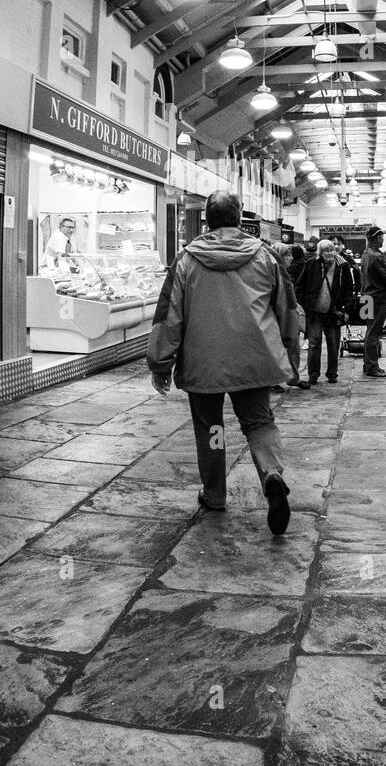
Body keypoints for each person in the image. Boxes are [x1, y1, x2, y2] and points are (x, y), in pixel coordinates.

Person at [146, 191, 294, 534]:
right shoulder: (265, 256)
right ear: (239, 216)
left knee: (212, 427)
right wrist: (288, 352)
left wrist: (160, 363)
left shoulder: (186, 260)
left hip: (204, 362)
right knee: (259, 423)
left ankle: (214, 494)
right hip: (254, 358)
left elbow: (170, 317)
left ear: (207, 220)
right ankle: (271, 473)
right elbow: (285, 308)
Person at [294, 236, 355, 386]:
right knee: (314, 343)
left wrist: (346, 309)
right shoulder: (311, 264)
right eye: (326, 251)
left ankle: (332, 374)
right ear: (319, 252)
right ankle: (313, 374)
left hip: (334, 312)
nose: (329, 253)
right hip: (314, 312)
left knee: (333, 343)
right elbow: (300, 286)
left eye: (331, 250)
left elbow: (349, 289)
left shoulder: (343, 265)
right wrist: (303, 305)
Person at [360, 225, 386, 378]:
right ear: (376, 238)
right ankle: (372, 367)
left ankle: (368, 365)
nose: (383, 238)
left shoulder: (366, 254)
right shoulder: (376, 256)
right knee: (374, 333)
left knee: (369, 331)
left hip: (367, 298)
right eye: (381, 236)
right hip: (378, 299)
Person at [268, 242, 305, 389]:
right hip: (279, 316)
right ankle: (275, 380)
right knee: (283, 347)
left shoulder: (283, 271)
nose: (291, 258)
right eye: (287, 255)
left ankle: (292, 377)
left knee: (292, 347)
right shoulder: (275, 271)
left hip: (287, 313)